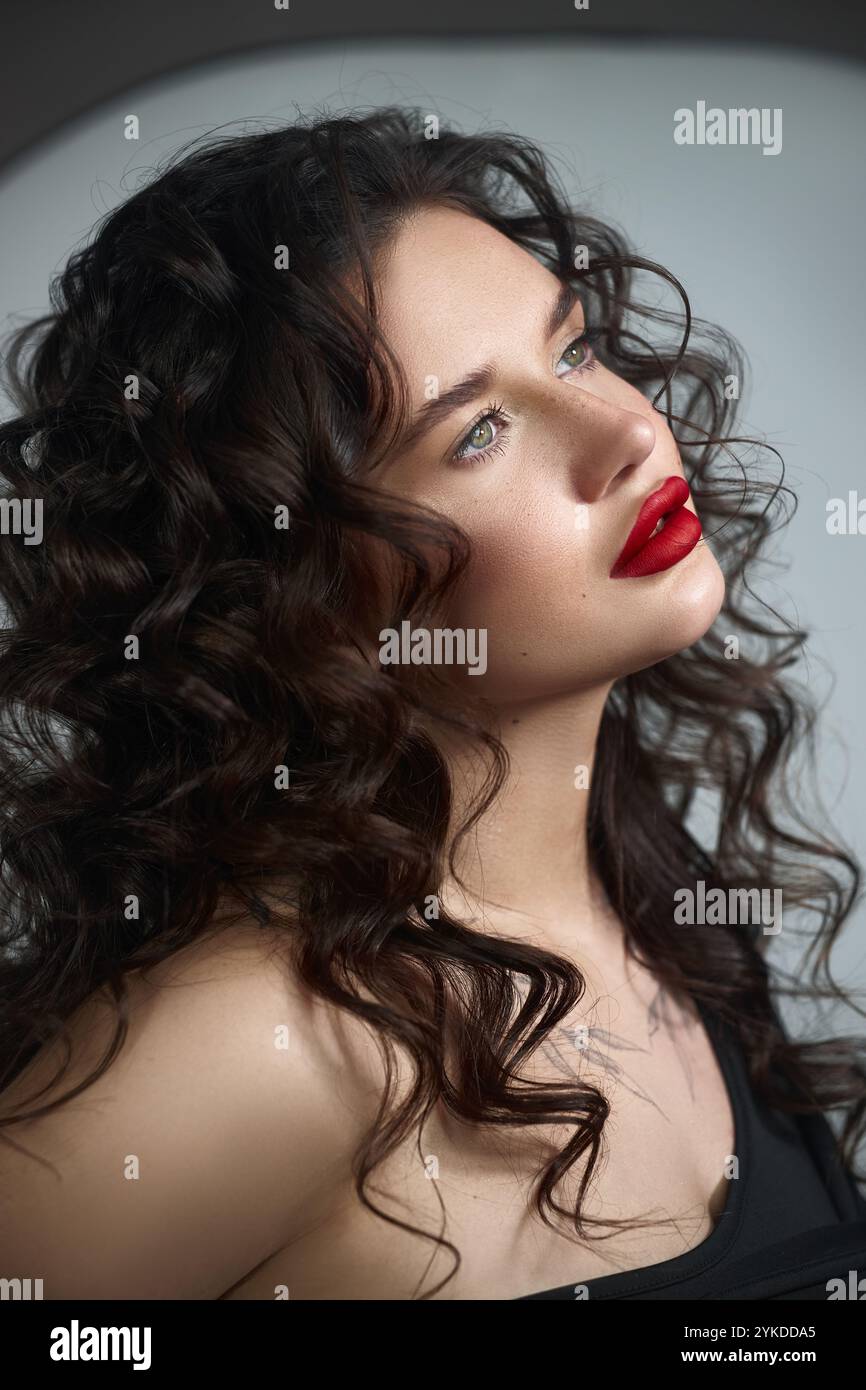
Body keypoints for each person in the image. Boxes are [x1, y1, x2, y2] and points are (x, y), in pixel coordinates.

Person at [0, 107, 864, 1301]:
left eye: (569, 350)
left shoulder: (649, 890)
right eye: (478, 433)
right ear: (296, 589)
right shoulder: (268, 1049)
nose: (622, 431)